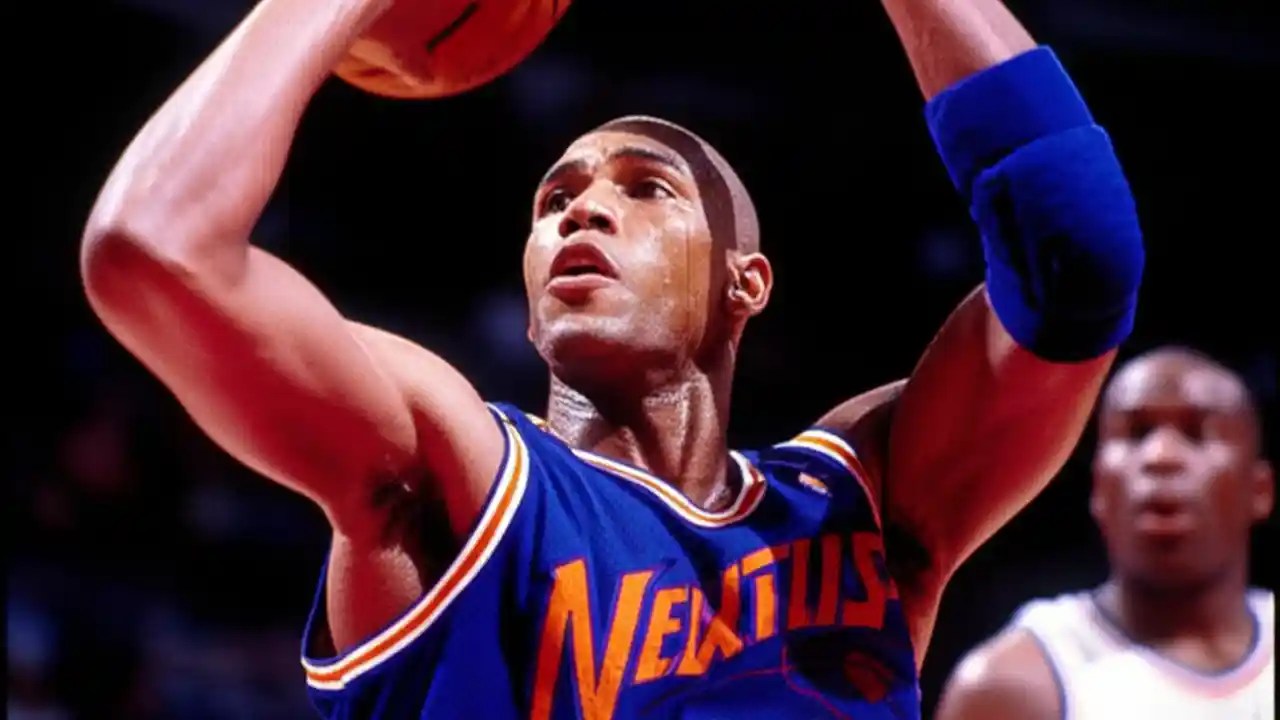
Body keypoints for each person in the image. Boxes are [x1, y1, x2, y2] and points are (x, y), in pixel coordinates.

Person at [77, 0, 1145, 715]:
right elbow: (153, 247)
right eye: (554, 201)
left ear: (746, 285)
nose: (583, 206)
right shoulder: (460, 478)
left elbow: (1076, 256)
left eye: (645, 188)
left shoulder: (856, 507)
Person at [935, 346, 1275, 720]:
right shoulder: (1009, 686)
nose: (1161, 456)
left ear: (1260, 491)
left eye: (1196, 434)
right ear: (1099, 488)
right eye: (1136, 434)